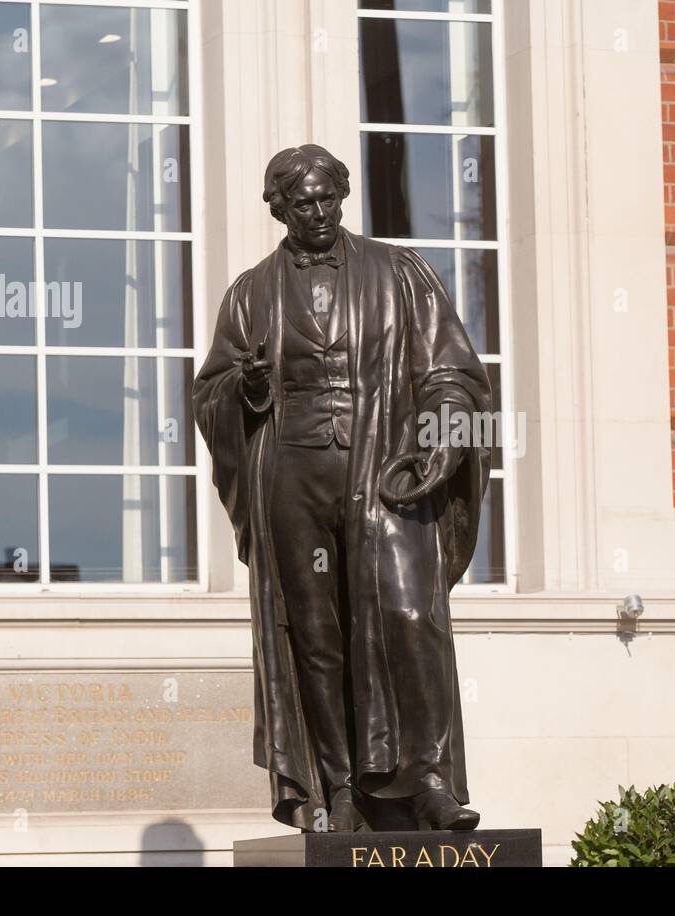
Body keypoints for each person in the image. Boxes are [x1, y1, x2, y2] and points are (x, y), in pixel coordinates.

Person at [192, 144, 491, 832]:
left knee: (412, 618)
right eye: (304, 202)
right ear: (279, 209)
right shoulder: (250, 292)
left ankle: (428, 778)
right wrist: (249, 388)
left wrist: (443, 432)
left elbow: (452, 370)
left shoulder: (399, 273)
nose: (320, 212)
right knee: (316, 638)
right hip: (292, 479)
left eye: (330, 197)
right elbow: (212, 393)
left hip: (384, 476)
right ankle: (337, 787)